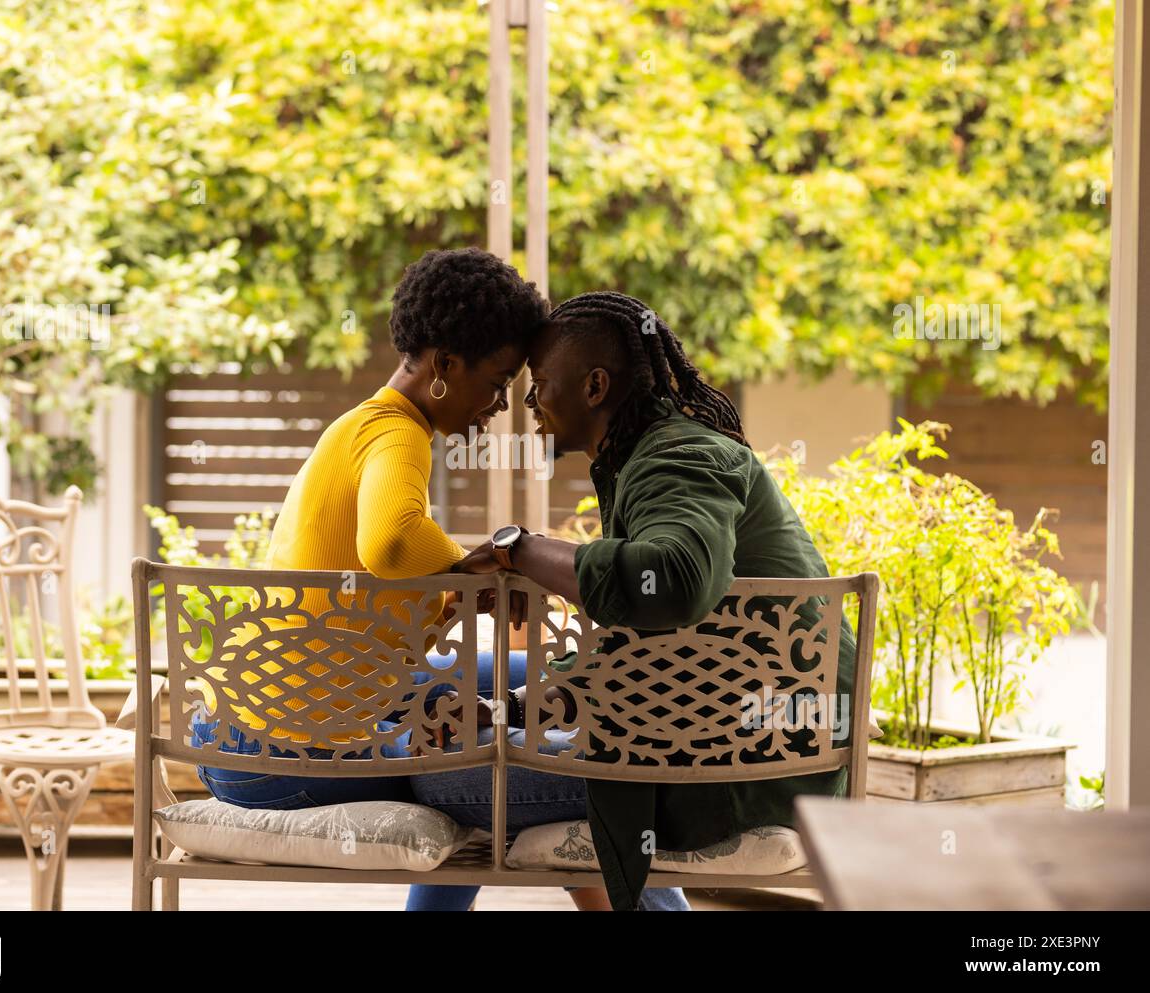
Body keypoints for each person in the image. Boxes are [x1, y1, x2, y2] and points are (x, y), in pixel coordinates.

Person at [188, 249, 686, 911]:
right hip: (283, 748)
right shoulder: (398, 434)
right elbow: (392, 541)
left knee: (522, 677)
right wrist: (471, 568)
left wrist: (463, 584)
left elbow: (388, 568)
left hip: (259, 721)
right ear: (445, 365)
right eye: (497, 381)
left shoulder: (363, 426)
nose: (499, 405)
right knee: (480, 751)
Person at [440, 291, 859, 910]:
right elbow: (652, 650)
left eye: (541, 384)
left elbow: (673, 581)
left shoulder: (676, 458)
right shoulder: (650, 457)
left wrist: (518, 549)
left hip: (750, 761)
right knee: (469, 727)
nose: (530, 405)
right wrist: (518, 706)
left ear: (595, 386)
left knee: (439, 772)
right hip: (726, 728)